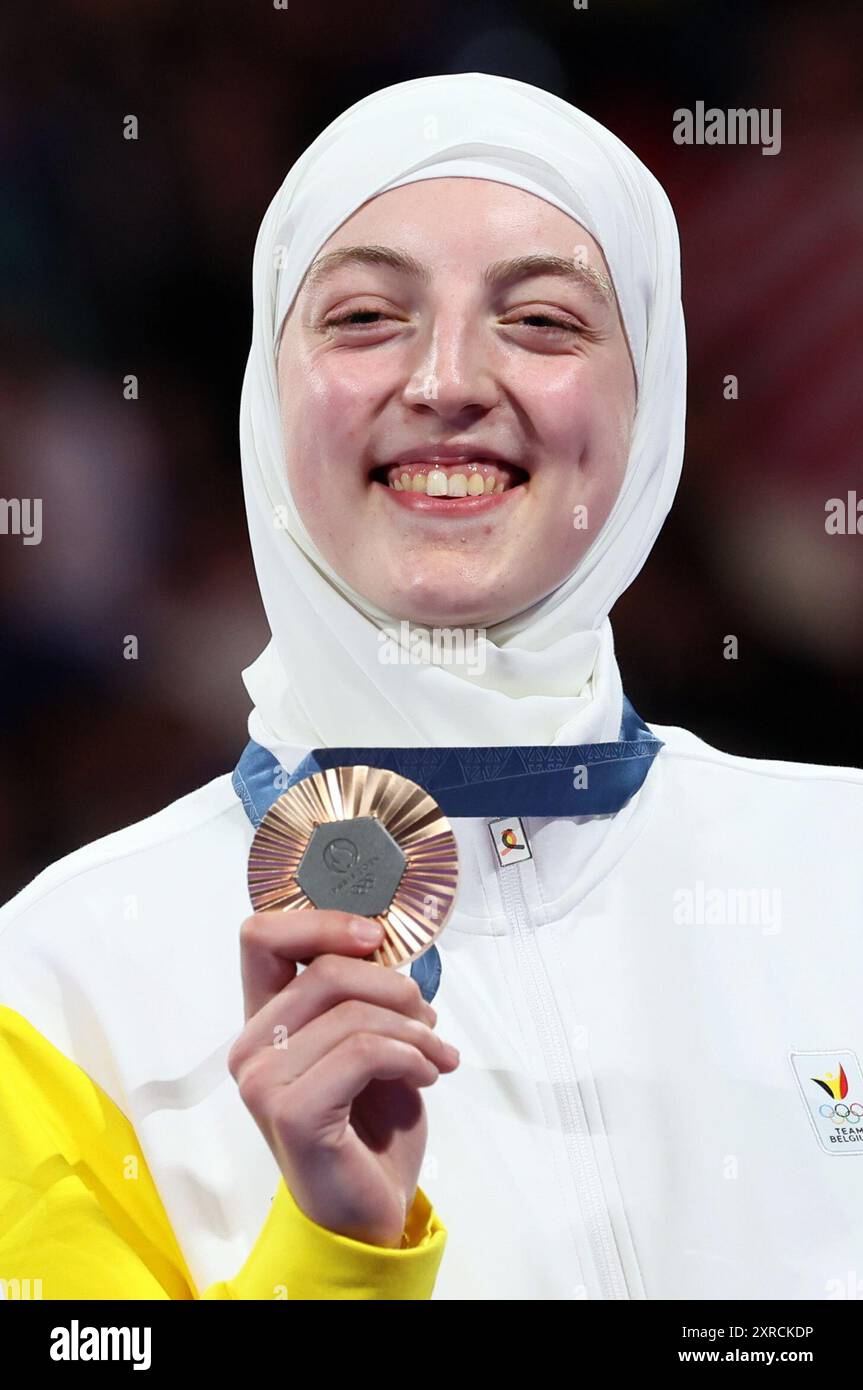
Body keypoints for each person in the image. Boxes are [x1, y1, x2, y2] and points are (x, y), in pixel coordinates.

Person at [2, 70, 862, 1302]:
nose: (446, 379)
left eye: (546, 322)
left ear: (652, 397)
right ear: (267, 393)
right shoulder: (57, 980)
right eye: (362, 318)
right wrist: (336, 1261)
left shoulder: (842, 868)